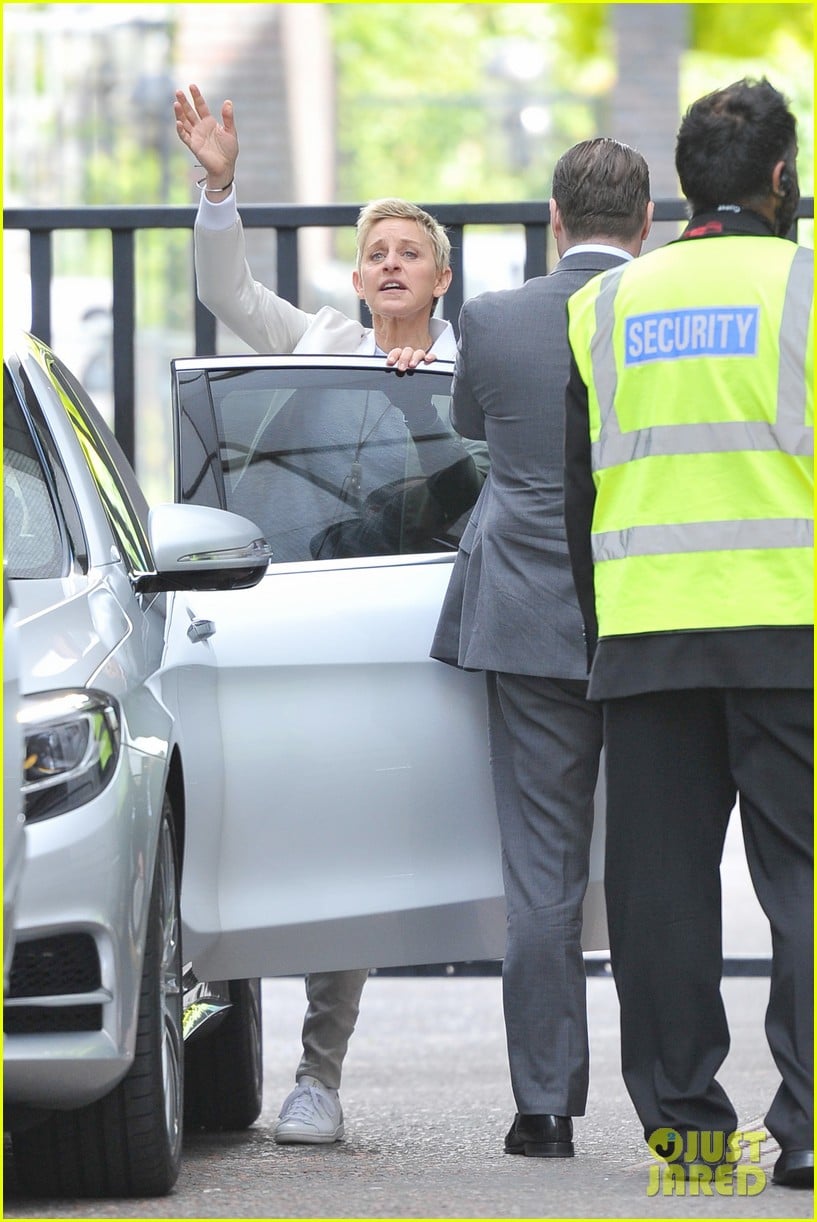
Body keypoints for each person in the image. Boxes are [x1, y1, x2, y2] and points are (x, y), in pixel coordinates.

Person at [173, 82, 478, 1145]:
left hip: (434, 646)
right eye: (376, 250)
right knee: (299, 838)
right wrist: (218, 186)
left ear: (441, 278)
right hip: (308, 630)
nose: (390, 262)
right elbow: (229, 293)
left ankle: (345, 1071)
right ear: (358, 276)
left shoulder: (465, 372)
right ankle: (287, 1074)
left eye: (409, 251)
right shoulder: (319, 340)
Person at [564, 78, 813, 1188]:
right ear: (779, 177)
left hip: (646, 629)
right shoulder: (806, 286)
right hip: (790, 627)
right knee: (803, 883)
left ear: (681, 187)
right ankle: (806, 1128)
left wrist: (603, 623)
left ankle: (690, 1134)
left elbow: (577, 492)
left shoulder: (607, 305)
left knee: (658, 888)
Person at [430, 138, 653, 1157]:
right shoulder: (661, 317)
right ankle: (674, 1107)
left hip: (526, 616)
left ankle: (546, 1109)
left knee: (542, 877)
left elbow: (473, 426)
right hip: (656, 613)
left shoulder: (492, 318)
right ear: (643, 223)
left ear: (554, 219)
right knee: (664, 868)